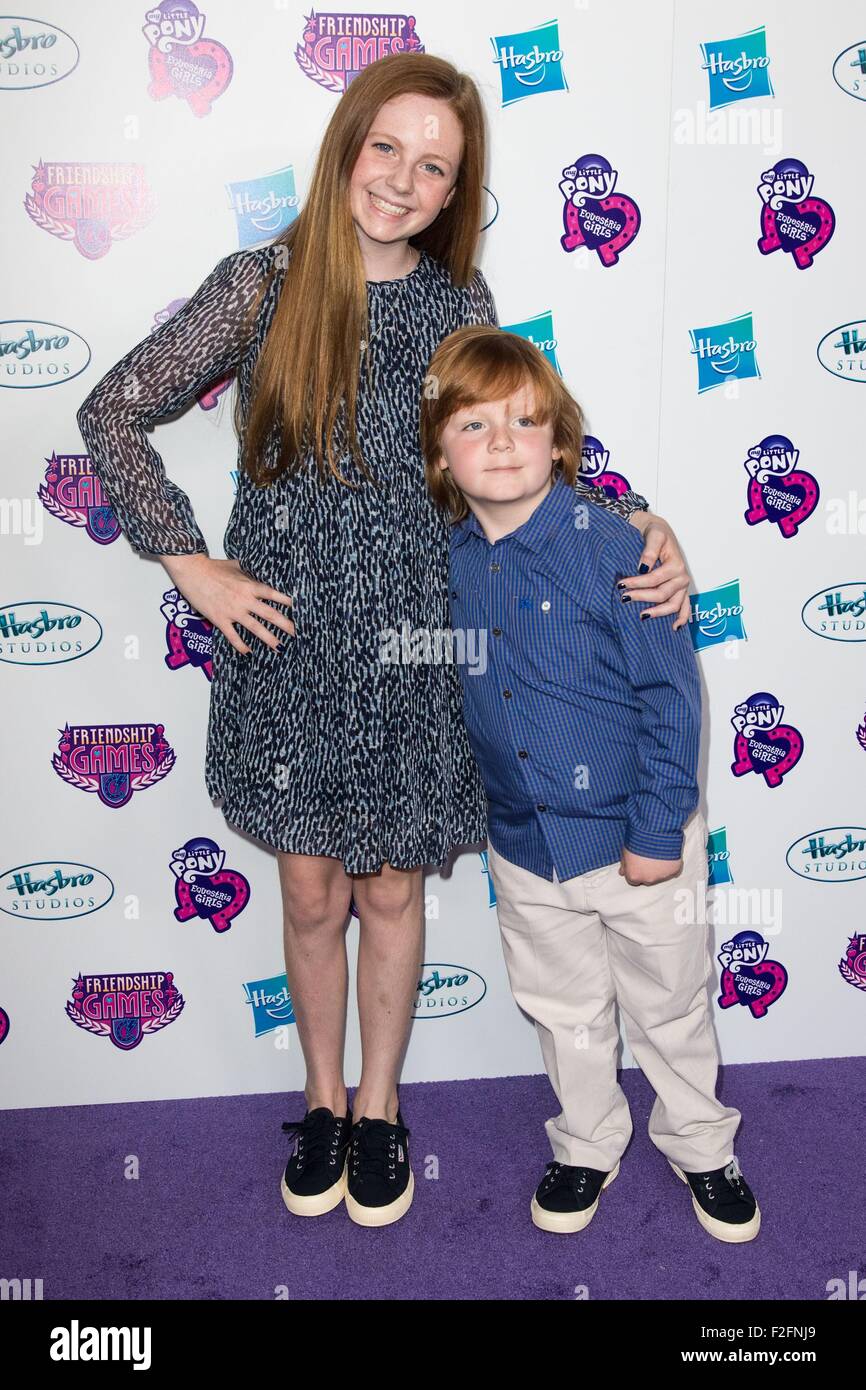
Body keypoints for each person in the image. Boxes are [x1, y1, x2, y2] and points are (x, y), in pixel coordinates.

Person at [75, 52, 693, 1229]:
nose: (404, 181)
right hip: (285, 641)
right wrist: (188, 561)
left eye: (436, 167)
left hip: (421, 644)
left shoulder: (460, 308)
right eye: (388, 150)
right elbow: (110, 408)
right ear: (348, 144)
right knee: (309, 892)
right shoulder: (260, 284)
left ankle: (378, 1107)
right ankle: (316, 1101)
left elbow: (520, 439)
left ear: (457, 190)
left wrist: (638, 523)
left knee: (393, 892)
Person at [422, 324, 761, 1243]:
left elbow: (671, 699)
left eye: (525, 423)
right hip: (526, 847)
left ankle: (700, 1143)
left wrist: (656, 834)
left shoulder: (619, 549)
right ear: (441, 455)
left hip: (635, 840)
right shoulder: (446, 564)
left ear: (561, 444)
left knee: (670, 1002)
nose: (501, 441)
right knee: (563, 1008)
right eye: (474, 425)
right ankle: (586, 1142)